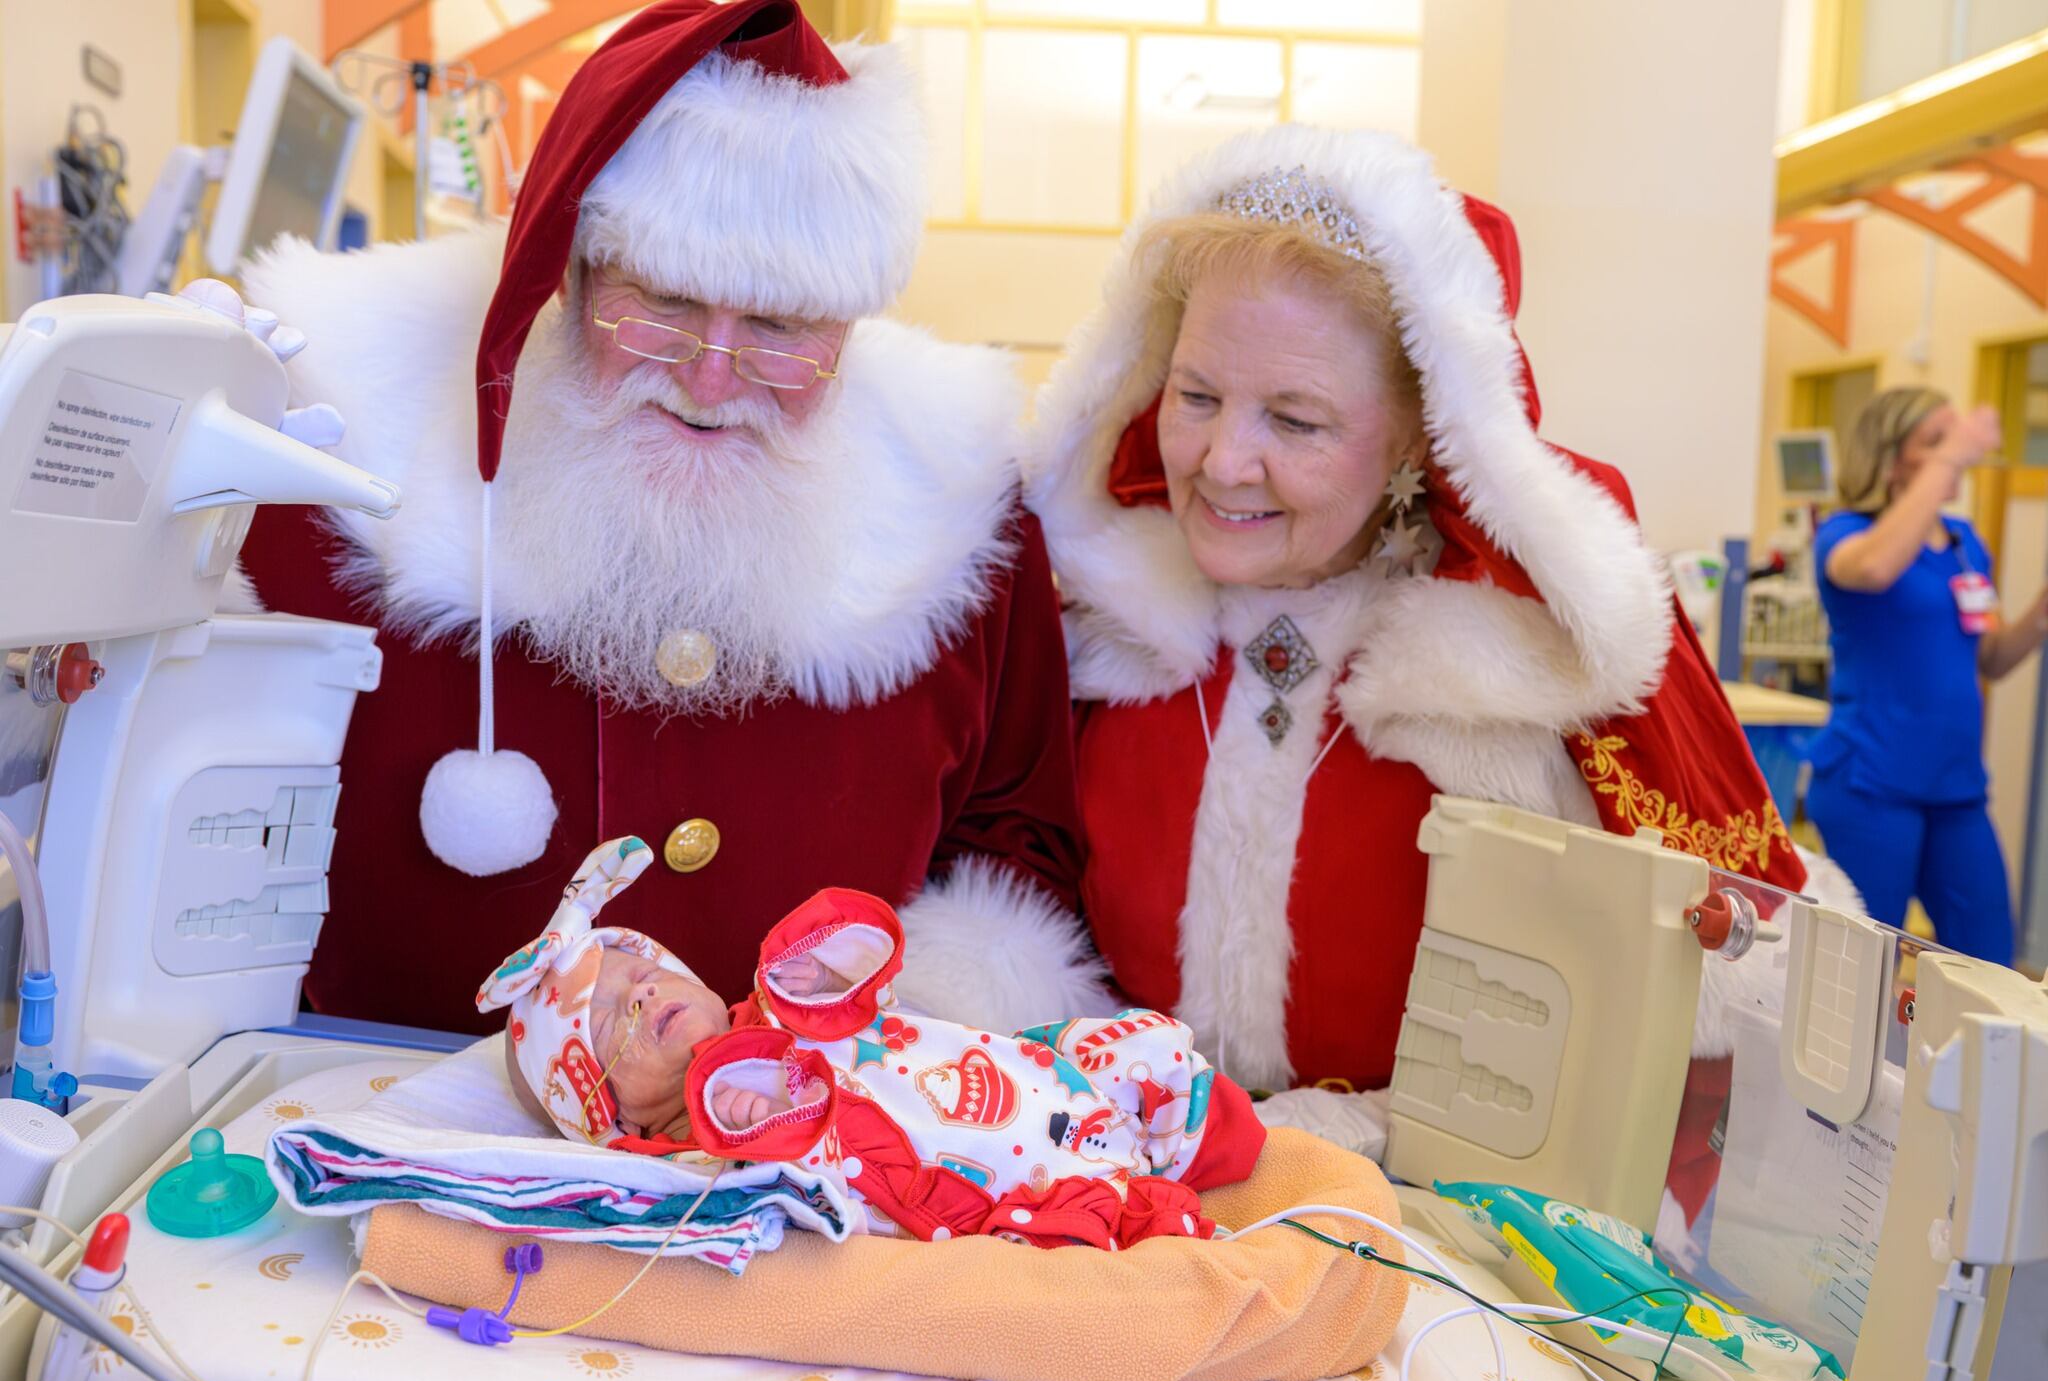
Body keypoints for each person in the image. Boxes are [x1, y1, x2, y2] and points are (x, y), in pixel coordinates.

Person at [233, 0, 1105, 1037]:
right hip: (375, 1115)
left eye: (778, 327)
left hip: (797, 1153)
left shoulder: (959, 506)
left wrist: (877, 1060)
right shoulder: (325, 446)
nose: (708, 375)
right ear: (571, 271)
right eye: (663, 303)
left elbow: (1016, 841)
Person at [1025, 128, 1828, 1105]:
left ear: (1419, 435)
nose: (1222, 461)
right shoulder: (1096, 636)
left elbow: (1632, 1053)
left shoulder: (1514, 688)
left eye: (1293, 419)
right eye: (1195, 395)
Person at [481, 837, 1265, 1251]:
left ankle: (1204, 1142)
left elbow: (863, 969)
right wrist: (744, 1132)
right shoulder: (694, 1157)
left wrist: (818, 962)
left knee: (1127, 1062)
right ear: (619, 1120)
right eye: (611, 1018)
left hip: (1012, 1076)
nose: (642, 990)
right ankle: (1158, 1204)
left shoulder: (774, 998)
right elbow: (777, 1199)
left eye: (642, 969)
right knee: (1087, 1231)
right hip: (987, 1182)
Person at [1807, 388, 2047, 964]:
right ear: (1892, 459)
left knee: (1990, 963)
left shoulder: (1965, 547)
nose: (1955, 457)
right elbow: (1872, 568)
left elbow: (1992, 657)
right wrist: (1954, 456)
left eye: (1954, 440)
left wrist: (2040, 613)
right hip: (1870, 784)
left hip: (1956, 789)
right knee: (1860, 972)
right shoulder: (1845, 535)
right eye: (1935, 442)